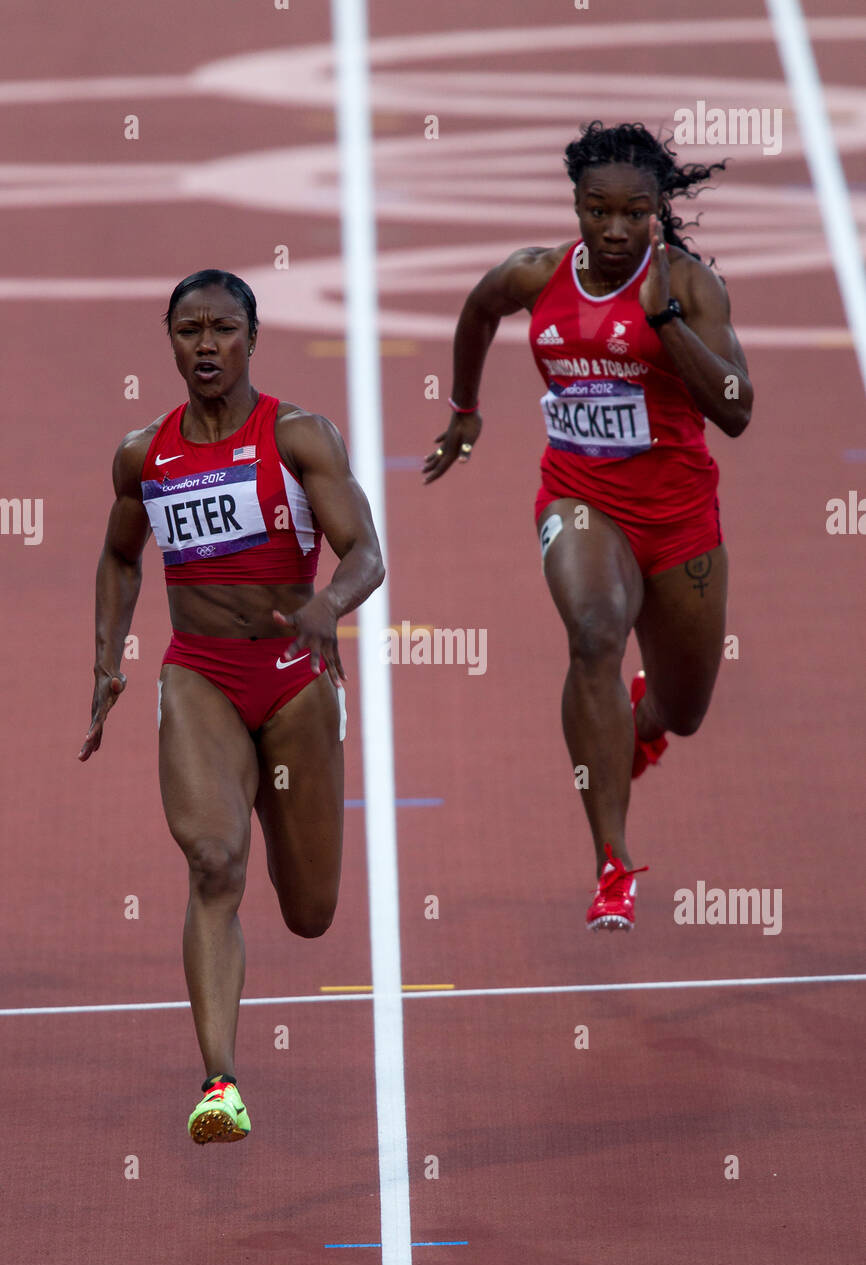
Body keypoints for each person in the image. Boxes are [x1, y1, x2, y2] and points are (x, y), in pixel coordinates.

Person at [424, 122, 752, 932]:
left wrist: (667, 322)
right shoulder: (536, 275)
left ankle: (638, 727)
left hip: (679, 520)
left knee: (685, 712)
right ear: (574, 204)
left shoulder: (691, 285)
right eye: (596, 210)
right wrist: (465, 410)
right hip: (579, 498)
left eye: (631, 213)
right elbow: (477, 309)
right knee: (595, 631)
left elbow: (739, 412)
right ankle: (613, 861)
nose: (612, 230)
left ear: (655, 211)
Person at [79, 269, 384, 1141]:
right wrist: (109, 659)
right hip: (200, 674)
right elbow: (120, 556)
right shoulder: (146, 453)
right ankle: (220, 1083)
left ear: (253, 337)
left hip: (291, 679)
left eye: (221, 328)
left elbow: (365, 550)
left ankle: (291, 835)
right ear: (169, 342)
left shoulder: (297, 438)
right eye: (187, 331)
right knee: (213, 861)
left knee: (310, 913)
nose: (205, 345)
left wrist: (330, 601)